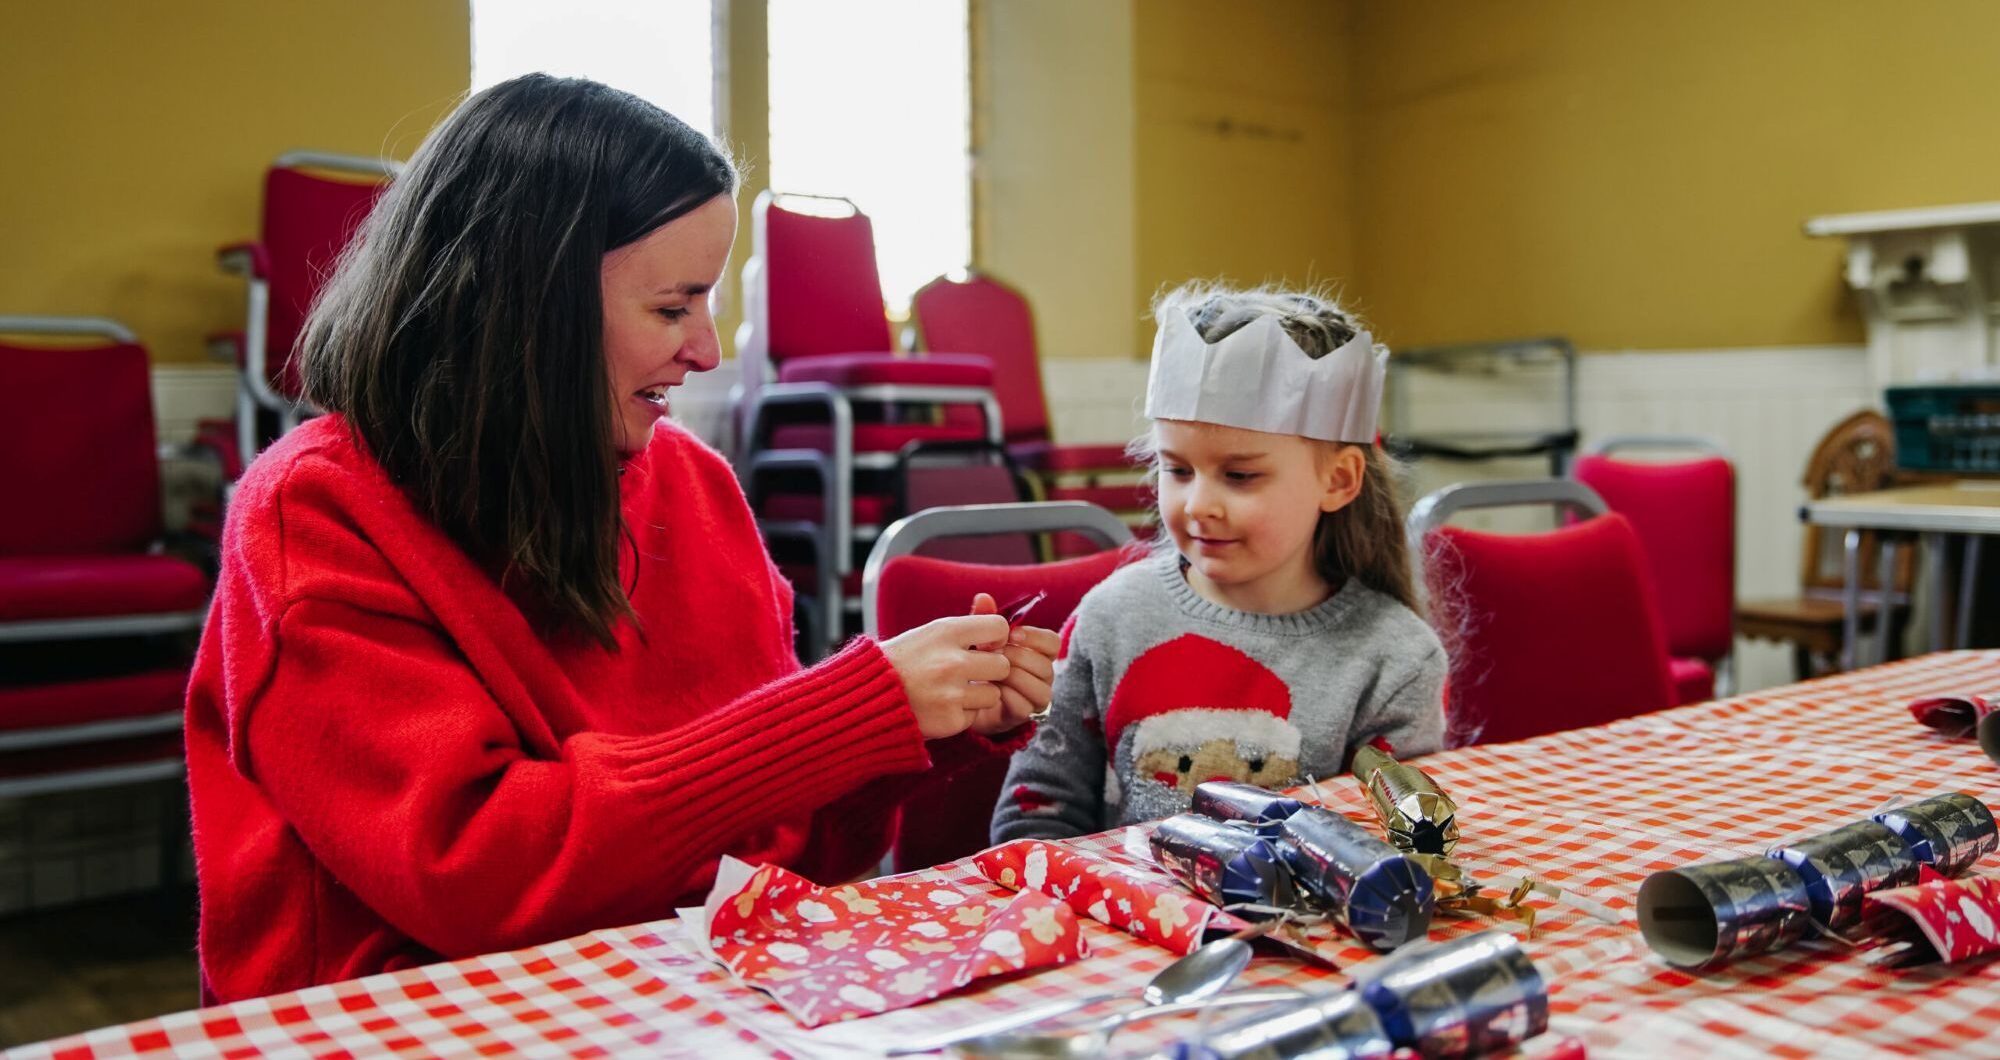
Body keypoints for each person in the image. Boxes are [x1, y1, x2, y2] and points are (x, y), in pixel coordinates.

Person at [183, 75, 1058, 1003]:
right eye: (673, 308)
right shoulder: (316, 512)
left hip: (665, 989)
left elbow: (770, 850)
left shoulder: (697, 486)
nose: (708, 351)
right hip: (401, 1013)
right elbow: (482, 881)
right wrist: (850, 713)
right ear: (527, 307)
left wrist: (920, 731)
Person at [991, 283, 1446, 842]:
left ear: (1339, 479)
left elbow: (1397, 842)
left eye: (1239, 476)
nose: (1199, 505)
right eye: (1177, 470)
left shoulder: (1395, 657)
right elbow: (1036, 812)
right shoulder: (1113, 617)